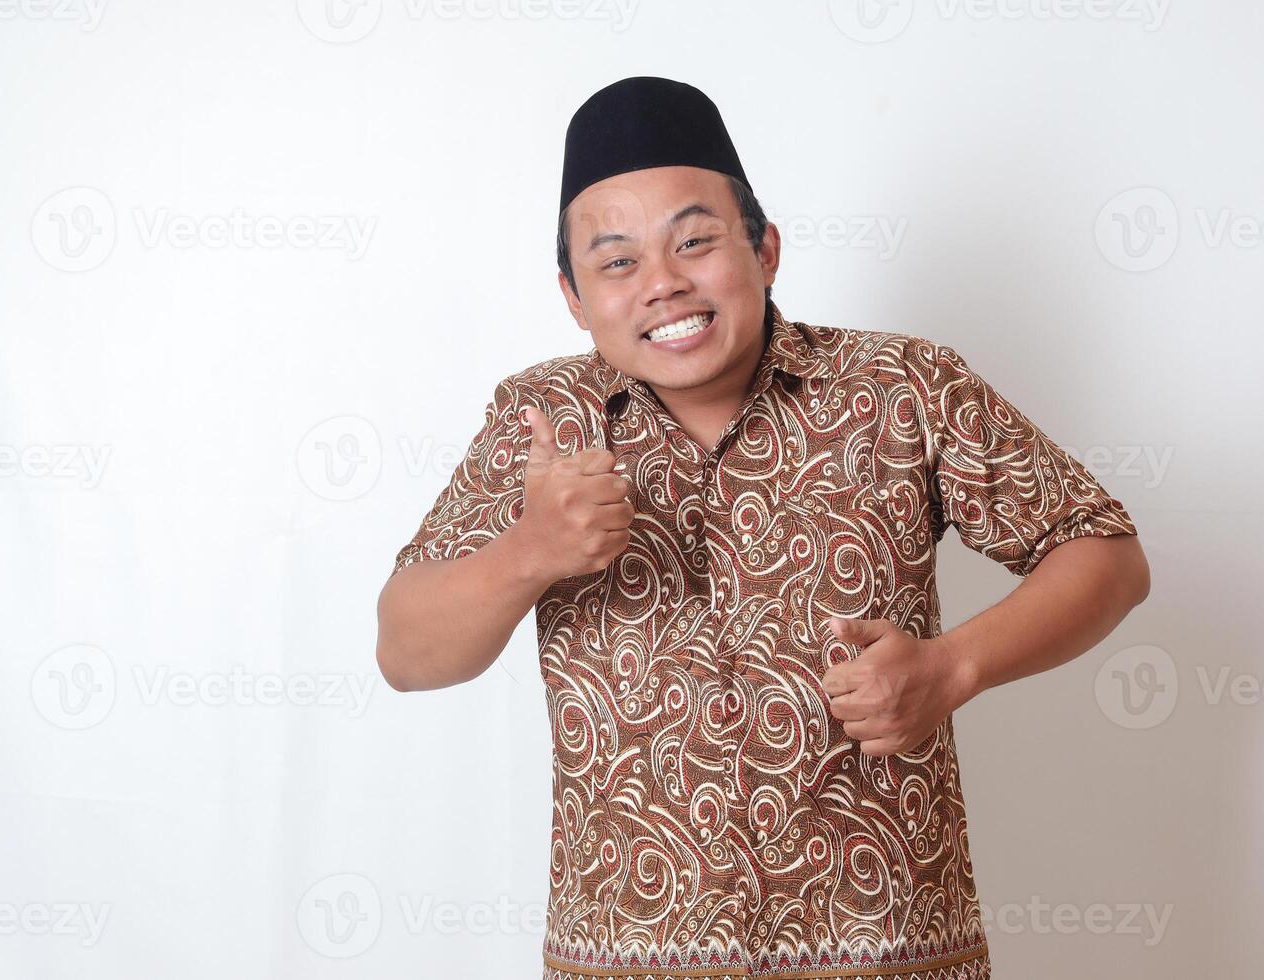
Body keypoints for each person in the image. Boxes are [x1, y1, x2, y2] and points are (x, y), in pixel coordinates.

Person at [376, 75, 1149, 980]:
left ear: (766, 248)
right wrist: (528, 554)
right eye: (618, 262)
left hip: (889, 952)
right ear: (575, 298)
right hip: (628, 961)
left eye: (695, 242)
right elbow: (406, 650)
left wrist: (952, 668)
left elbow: (1105, 553)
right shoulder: (540, 418)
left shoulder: (902, 390)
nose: (664, 284)